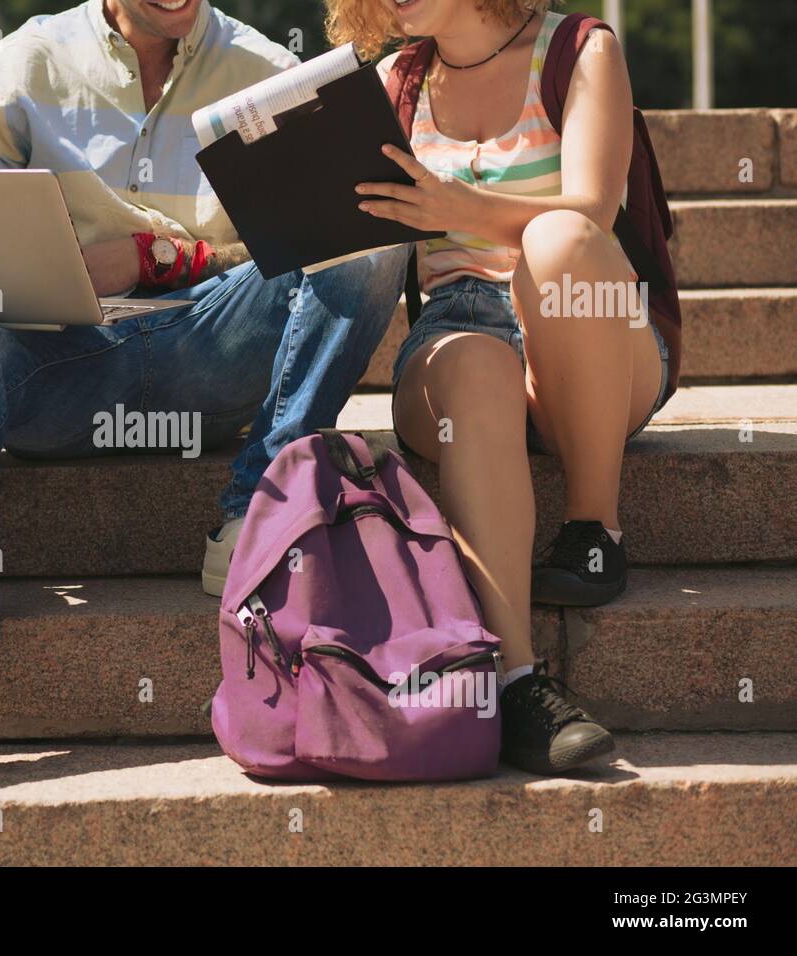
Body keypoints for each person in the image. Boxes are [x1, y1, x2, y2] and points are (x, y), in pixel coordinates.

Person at [0, 0, 410, 790]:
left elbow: (304, 235)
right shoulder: (26, 61)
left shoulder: (269, 72)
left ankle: (255, 508)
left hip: (210, 349)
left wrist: (154, 258)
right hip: (63, 361)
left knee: (364, 240)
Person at [334, 0, 674, 773]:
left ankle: (594, 530)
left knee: (558, 239)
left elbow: (593, 212)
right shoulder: (394, 83)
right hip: (461, 333)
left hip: (588, 331)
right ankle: (516, 685)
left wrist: (462, 210)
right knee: (477, 360)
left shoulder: (580, 50)